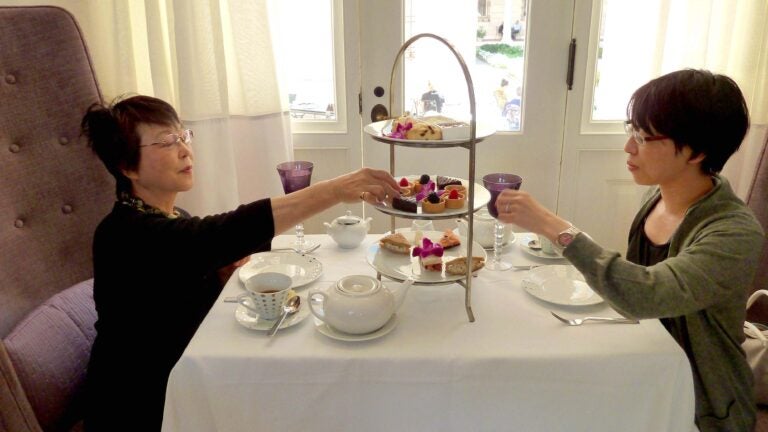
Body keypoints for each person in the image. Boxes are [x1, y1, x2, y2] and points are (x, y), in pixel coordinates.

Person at [80, 95, 399, 431]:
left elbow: (181, 281)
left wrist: (215, 275)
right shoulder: (124, 234)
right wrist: (334, 190)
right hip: (143, 405)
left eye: (183, 136)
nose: (185, 150)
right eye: (165, 142)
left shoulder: (170, 217)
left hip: (190, 377)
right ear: (127, 166)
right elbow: (222, 233)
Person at [494, 69, 764, 432]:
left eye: (644, 136)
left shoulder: (734, 232)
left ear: (697, 151)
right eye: (630, 130)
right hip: (648, 367)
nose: (629, 147)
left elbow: (646, 293)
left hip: (701, 404)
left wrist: (553, 226)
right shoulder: (656, 196)